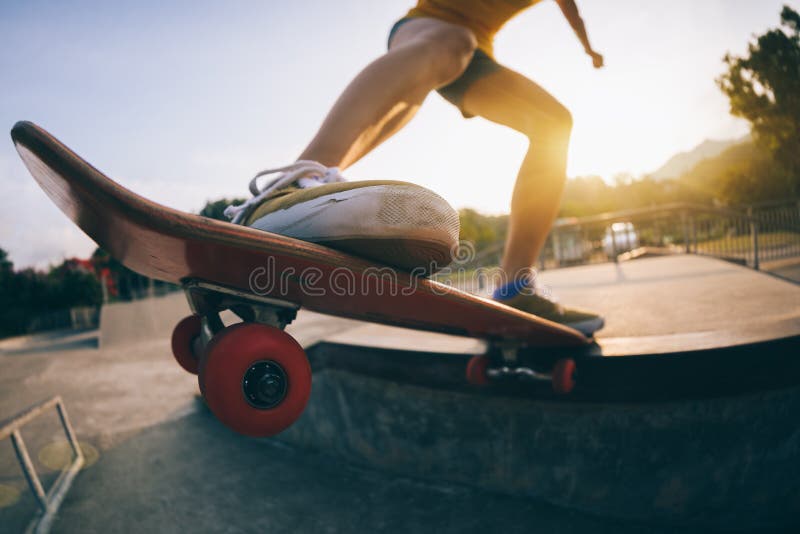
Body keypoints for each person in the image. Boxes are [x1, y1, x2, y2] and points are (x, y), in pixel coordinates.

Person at [225, 0, 604, 335]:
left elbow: (573, 12)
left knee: (553, 125)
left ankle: (514, 286)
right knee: (453, 45)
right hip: (428, 27)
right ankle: (286, 191)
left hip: (475, 59)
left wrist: (588, 48)